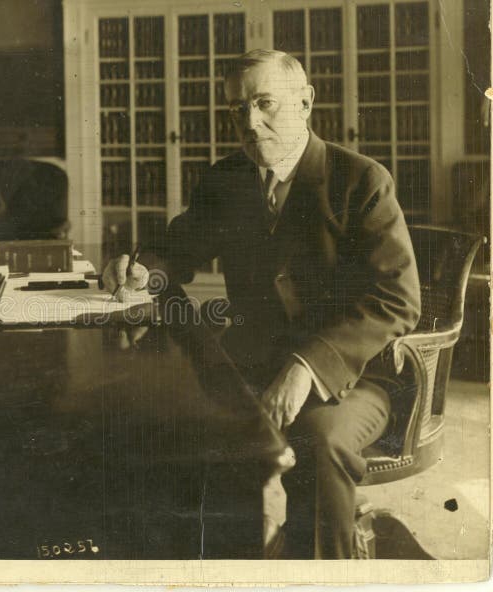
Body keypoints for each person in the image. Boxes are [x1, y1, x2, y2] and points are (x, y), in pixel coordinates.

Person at [101, 49, 421, 559]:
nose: (250, 123)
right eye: (237, 110)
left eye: (265, 103)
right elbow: (175, 251)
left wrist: (306, 365)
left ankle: (324, 573)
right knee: (166, 424)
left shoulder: (361, 179)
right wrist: (143, 270)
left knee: (321, 442)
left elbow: (397, 298)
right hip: (251, 365)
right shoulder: (226, 180)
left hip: (355, 379)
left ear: (305, 101)